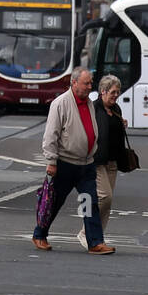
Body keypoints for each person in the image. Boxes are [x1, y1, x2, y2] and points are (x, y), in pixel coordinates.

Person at [32, 67, 112, 254]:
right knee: (55, 201)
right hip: (65, 163)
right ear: (74, 82)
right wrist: (51, 161)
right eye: (86, 83)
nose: (90, 86)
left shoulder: (89, 103)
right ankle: (40, 234)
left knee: (90, 202)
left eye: (91, 83)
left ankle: (94, 242)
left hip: (86, 164)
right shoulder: (61, 103)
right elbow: (51, 134)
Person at [81, 74, 127, 249]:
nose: (116, 95)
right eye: (113, 92)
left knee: (109, 202)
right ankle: (86, 232)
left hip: (113, 161)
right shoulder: (94, 109)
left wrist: (122, 124)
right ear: (103, 91)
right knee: (104, 198)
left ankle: (98, 238)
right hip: (97, 160)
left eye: (118, 92)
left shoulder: (116, 109)